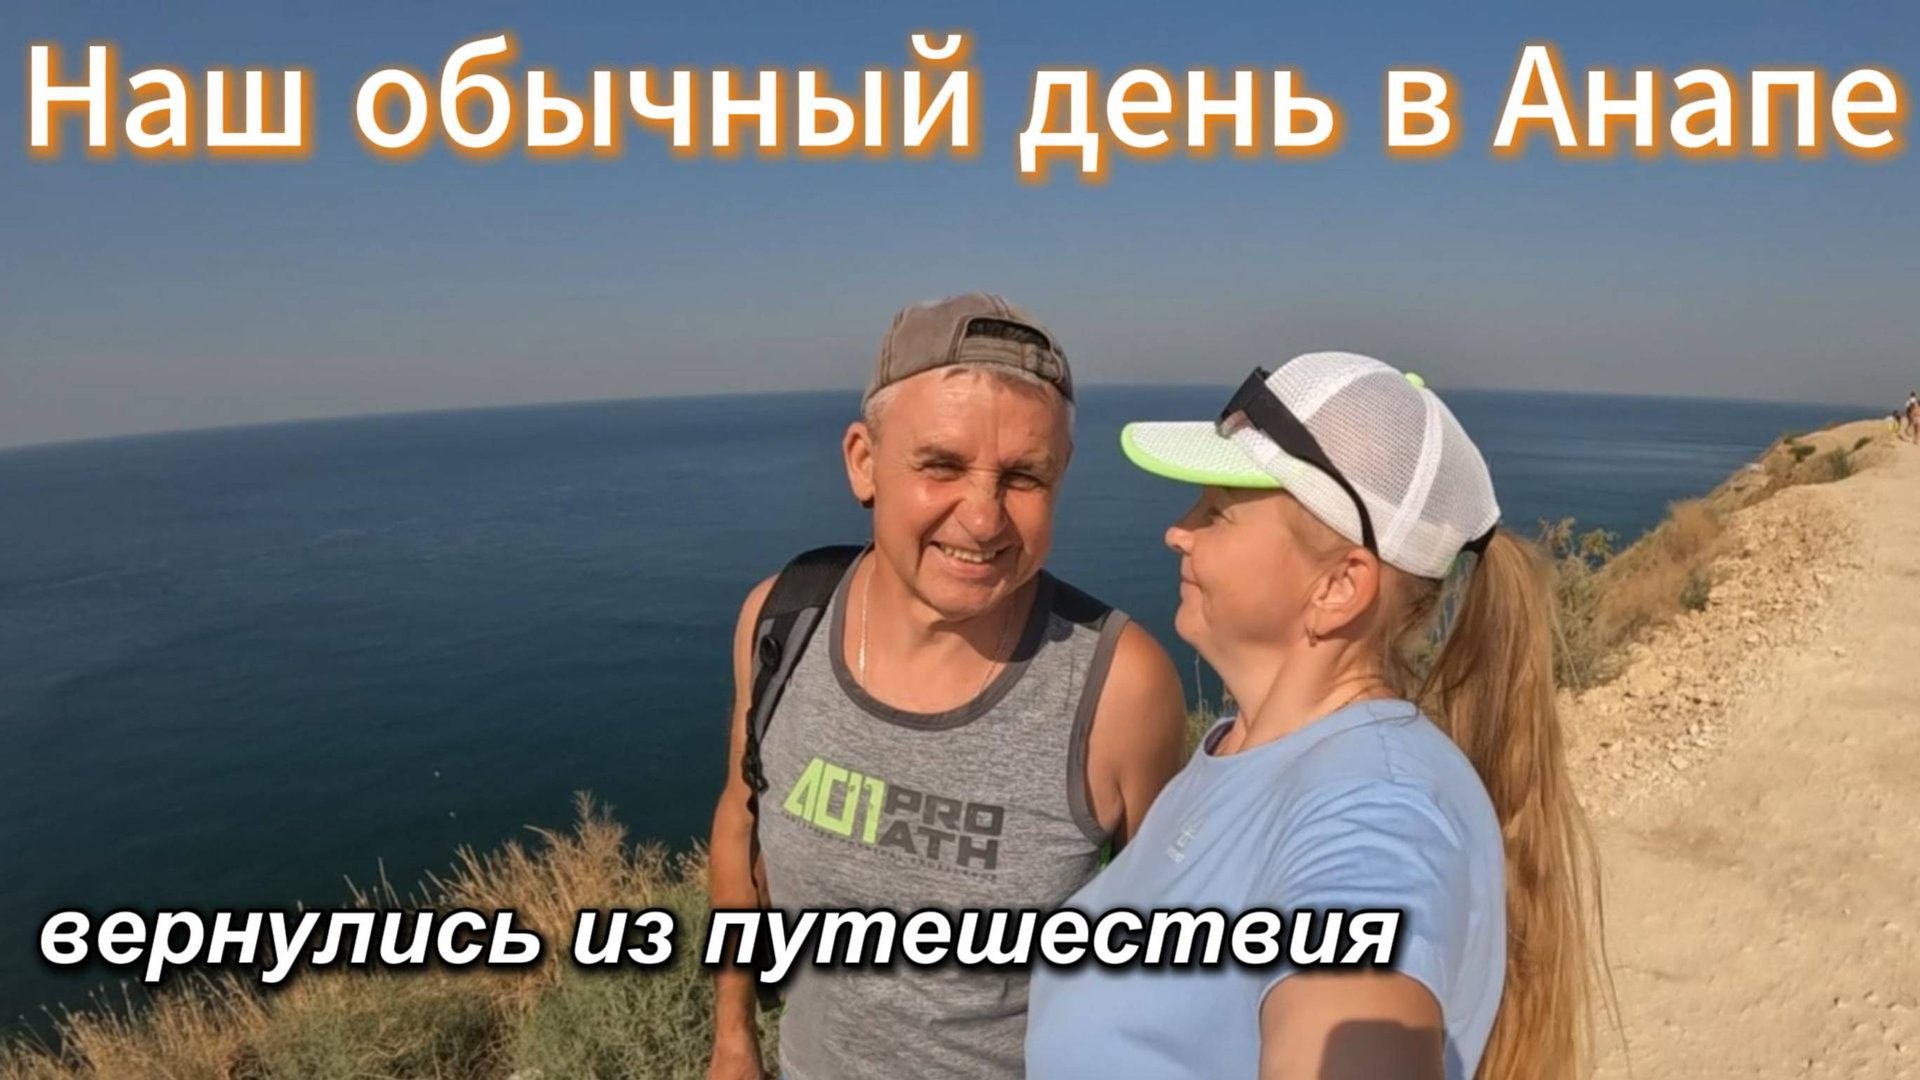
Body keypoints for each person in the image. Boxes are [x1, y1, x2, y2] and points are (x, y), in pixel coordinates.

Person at [1027, 353, 1599, 1080]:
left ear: (1339, 587)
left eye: (1217, 511)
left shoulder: (1379, 806)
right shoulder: (1242, 749)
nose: (1178, 531)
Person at [706, 293, 1189, 1080]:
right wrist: (734, 1038)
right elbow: (739, 819)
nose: (984, 518)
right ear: (864, 462)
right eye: (942, 465)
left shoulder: (1116, 688)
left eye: (1024, 476)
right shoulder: (782, 620)